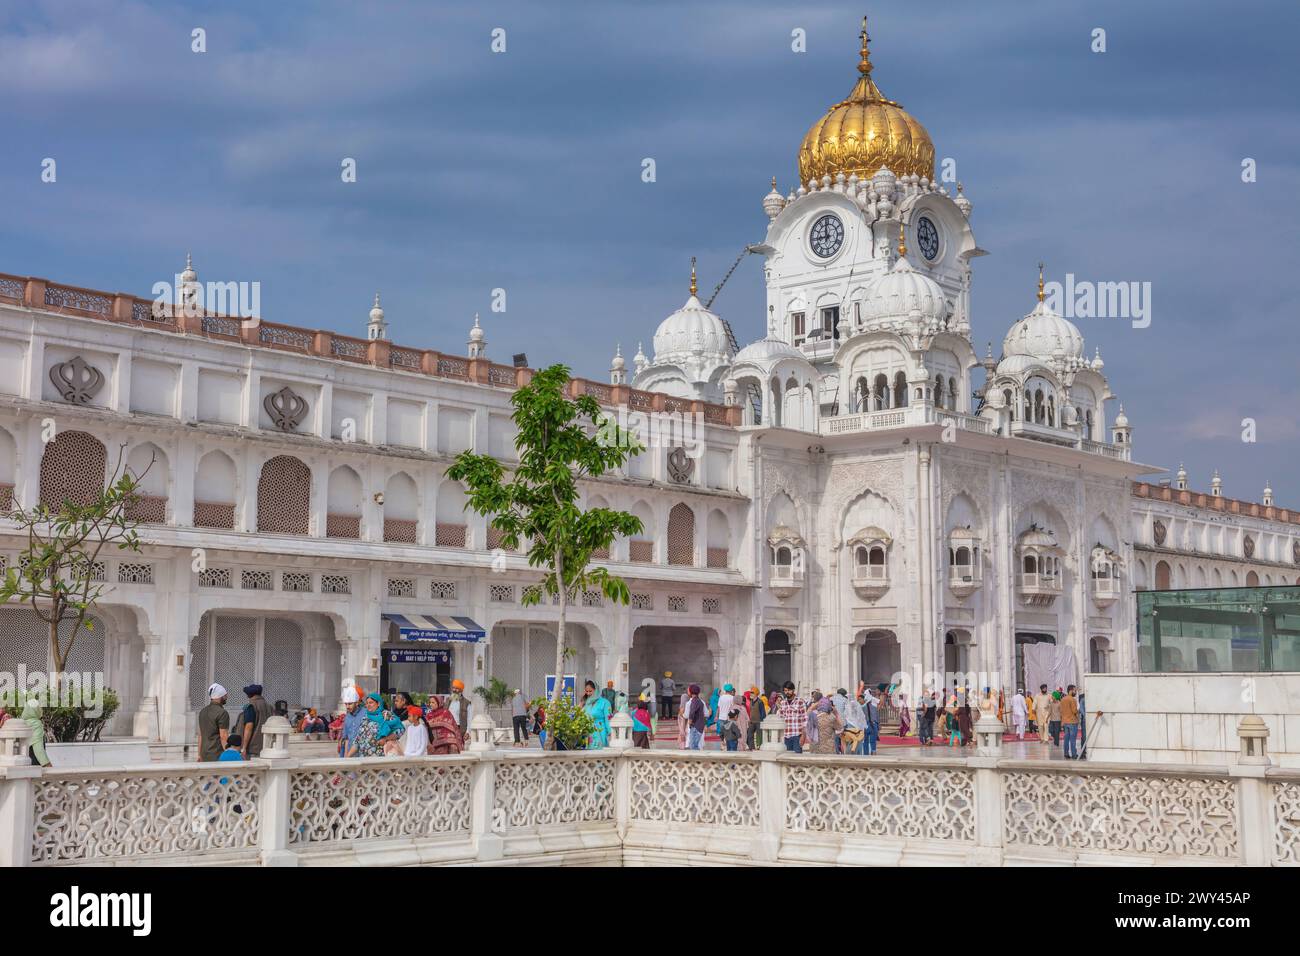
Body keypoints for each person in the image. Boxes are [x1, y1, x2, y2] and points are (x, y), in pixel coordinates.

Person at [350, 692, 405, 757]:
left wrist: (386, 739)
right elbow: (357, 740)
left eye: (371, 702)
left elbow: (401, 730)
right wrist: (347, 757)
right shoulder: (365, 718)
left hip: (379, 758)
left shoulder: (386, 715)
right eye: (367, 703)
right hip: (364, 759)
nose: (368, 705)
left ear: (378, 703)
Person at [197, 682, 230, 763]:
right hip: (217, 754)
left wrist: (199, 754)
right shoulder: (222, 713)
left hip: (204, 754)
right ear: (220, 696)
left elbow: (201, 735)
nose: (226, 697)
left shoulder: (203, 711)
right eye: (225, 695)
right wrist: (228, 754)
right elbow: (223, 736)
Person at [239, 684, 273, 759]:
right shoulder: (269, 707)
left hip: (253, 748)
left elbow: (249, 727)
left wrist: (244, 748)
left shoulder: (251, 706)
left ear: (249, 695)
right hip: (267, 747)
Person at [776, 681, 808, 753]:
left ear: (793, 690)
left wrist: (803, 735)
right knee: (787, 758)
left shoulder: (800, 702)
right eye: (785, 690)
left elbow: (805, 719)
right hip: (786, 735)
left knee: (797, 759)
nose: (787, 692)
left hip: (797, 735)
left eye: (789, 690)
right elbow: (781, 719)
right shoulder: (783, 703)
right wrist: (779, 708)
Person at [20, 693, 51, 767]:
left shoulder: (22, 723)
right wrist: (46, 763)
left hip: (22, 762)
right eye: (39, 708)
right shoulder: (36, 724)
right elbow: (38, 747)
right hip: (34, 763)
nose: (41, 710)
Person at [834, 687, 866, 755]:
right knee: (857, 741)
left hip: (846, 725)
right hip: (856, 726)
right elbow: (861, 717)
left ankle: (845, 753)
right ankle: (856, 753)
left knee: (845, 740)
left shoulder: (835, 700)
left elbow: (844, 714)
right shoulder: (853, 704)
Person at [582, 679, 612, 749]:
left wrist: (611, 733)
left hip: (600, 732)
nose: (588, 693)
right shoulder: (587, 703)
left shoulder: (605, 702)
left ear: (596, 690)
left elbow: (608, 719)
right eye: (587, 691)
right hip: (589, 733)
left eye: (590, 691)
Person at [338, 686, 365, 757]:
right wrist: (346, 756)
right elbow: (346, 738)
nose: (347, 707)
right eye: (346, 704)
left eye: (350, 704)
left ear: (357, 703)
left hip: (363, 754)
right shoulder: (347, 717)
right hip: (350, 754)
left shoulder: (365, 714)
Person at [683, 684, 707, 750]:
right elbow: (706, 714)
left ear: (691, 692)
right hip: (700, 726)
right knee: (698, 745)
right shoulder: (702, 702)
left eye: (688, 690)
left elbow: (689, 714)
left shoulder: (691, 702)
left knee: (693, 746)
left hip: (695, 726)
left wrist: (689, 719)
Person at [1060, 684, 1081, 759]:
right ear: (1071, 690)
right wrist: (1079, 711)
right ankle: (1074, 754)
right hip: (1072, 721)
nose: (1075, 692)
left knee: (1066, 739)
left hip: (1065, 722)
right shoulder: (1072, 699)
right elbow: (1074, 711)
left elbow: (1061, 711)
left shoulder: (1063, 699)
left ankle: (1066, 753)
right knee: (1073, 739)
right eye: (1075, 690)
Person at [746, 686, 767, 751]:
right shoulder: (751, 701)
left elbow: (763, 713)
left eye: (752, 693)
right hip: (752, 721)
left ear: (756, 694)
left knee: (759, 735)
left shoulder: (760, 702)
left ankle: (759, 747)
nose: (751, 694)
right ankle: (751, 747)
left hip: (758, 721)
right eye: (750, 692)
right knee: (749, 735)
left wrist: (762, 721)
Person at [862, 686, 881, 755]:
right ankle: (873, 751)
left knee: (865, 740)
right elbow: (877, 717)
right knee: (873, 740)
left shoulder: (862, 708)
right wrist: (879, 726)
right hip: (874, 724)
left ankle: (866, 753)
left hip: (866, 725)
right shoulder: (874, 708)